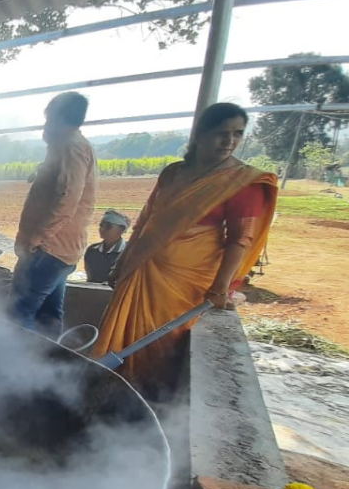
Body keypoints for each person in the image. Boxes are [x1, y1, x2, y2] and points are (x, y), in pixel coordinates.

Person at [93, 102, 278, 389]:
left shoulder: (243, 182)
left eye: (238, 133)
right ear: (200, 133)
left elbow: (240, 240)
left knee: (160, 347)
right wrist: (123, 260)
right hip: (140, 271)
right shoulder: (173, 173)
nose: (229, 141)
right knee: (120, 338)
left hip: (183, 284)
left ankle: (146, 402)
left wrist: (220, 286)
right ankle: (111, 395)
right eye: (221, 133)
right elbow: (145, 222)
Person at [10, 92, 97, 337]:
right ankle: (49, 369)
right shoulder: (68, 146)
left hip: (48, 249)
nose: (45, 124)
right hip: (61, 250)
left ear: (58, 116)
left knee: (18, 315)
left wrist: (37, 237)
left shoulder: (72, 148)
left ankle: (15, 370)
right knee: (48, 315)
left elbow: (67, 198)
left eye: (48, 117)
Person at [83, 209, 129, 284]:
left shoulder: (129, 251)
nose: (102, 229)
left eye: (108, 226)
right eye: (101, 225)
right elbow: (90, 278)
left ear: (121, 230)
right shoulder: (92, 250)